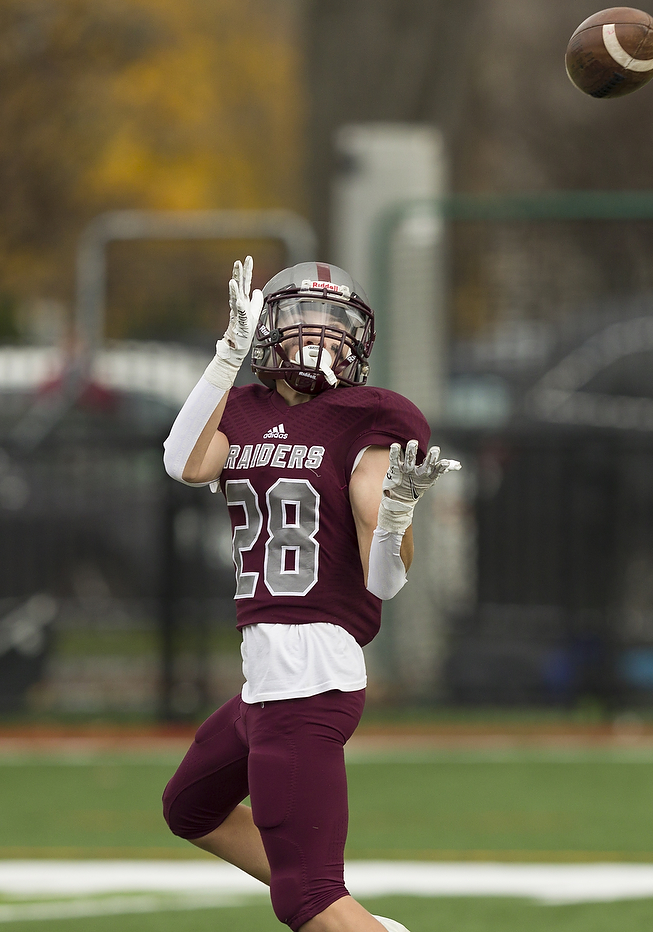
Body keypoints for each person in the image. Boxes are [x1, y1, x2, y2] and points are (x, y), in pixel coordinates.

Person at [158, 257, 457, 932]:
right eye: (303, 319)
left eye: (334, 323)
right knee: (190, 807)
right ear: (267, 330)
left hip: (309, 670)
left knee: (307, 898)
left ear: (359, 341)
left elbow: (384, 580)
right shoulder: (242, 407)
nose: (319, 336)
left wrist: (397, 516)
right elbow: (183, 462)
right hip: (267, 676)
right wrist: (225, 358)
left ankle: (339, 908)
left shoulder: (370, 416)